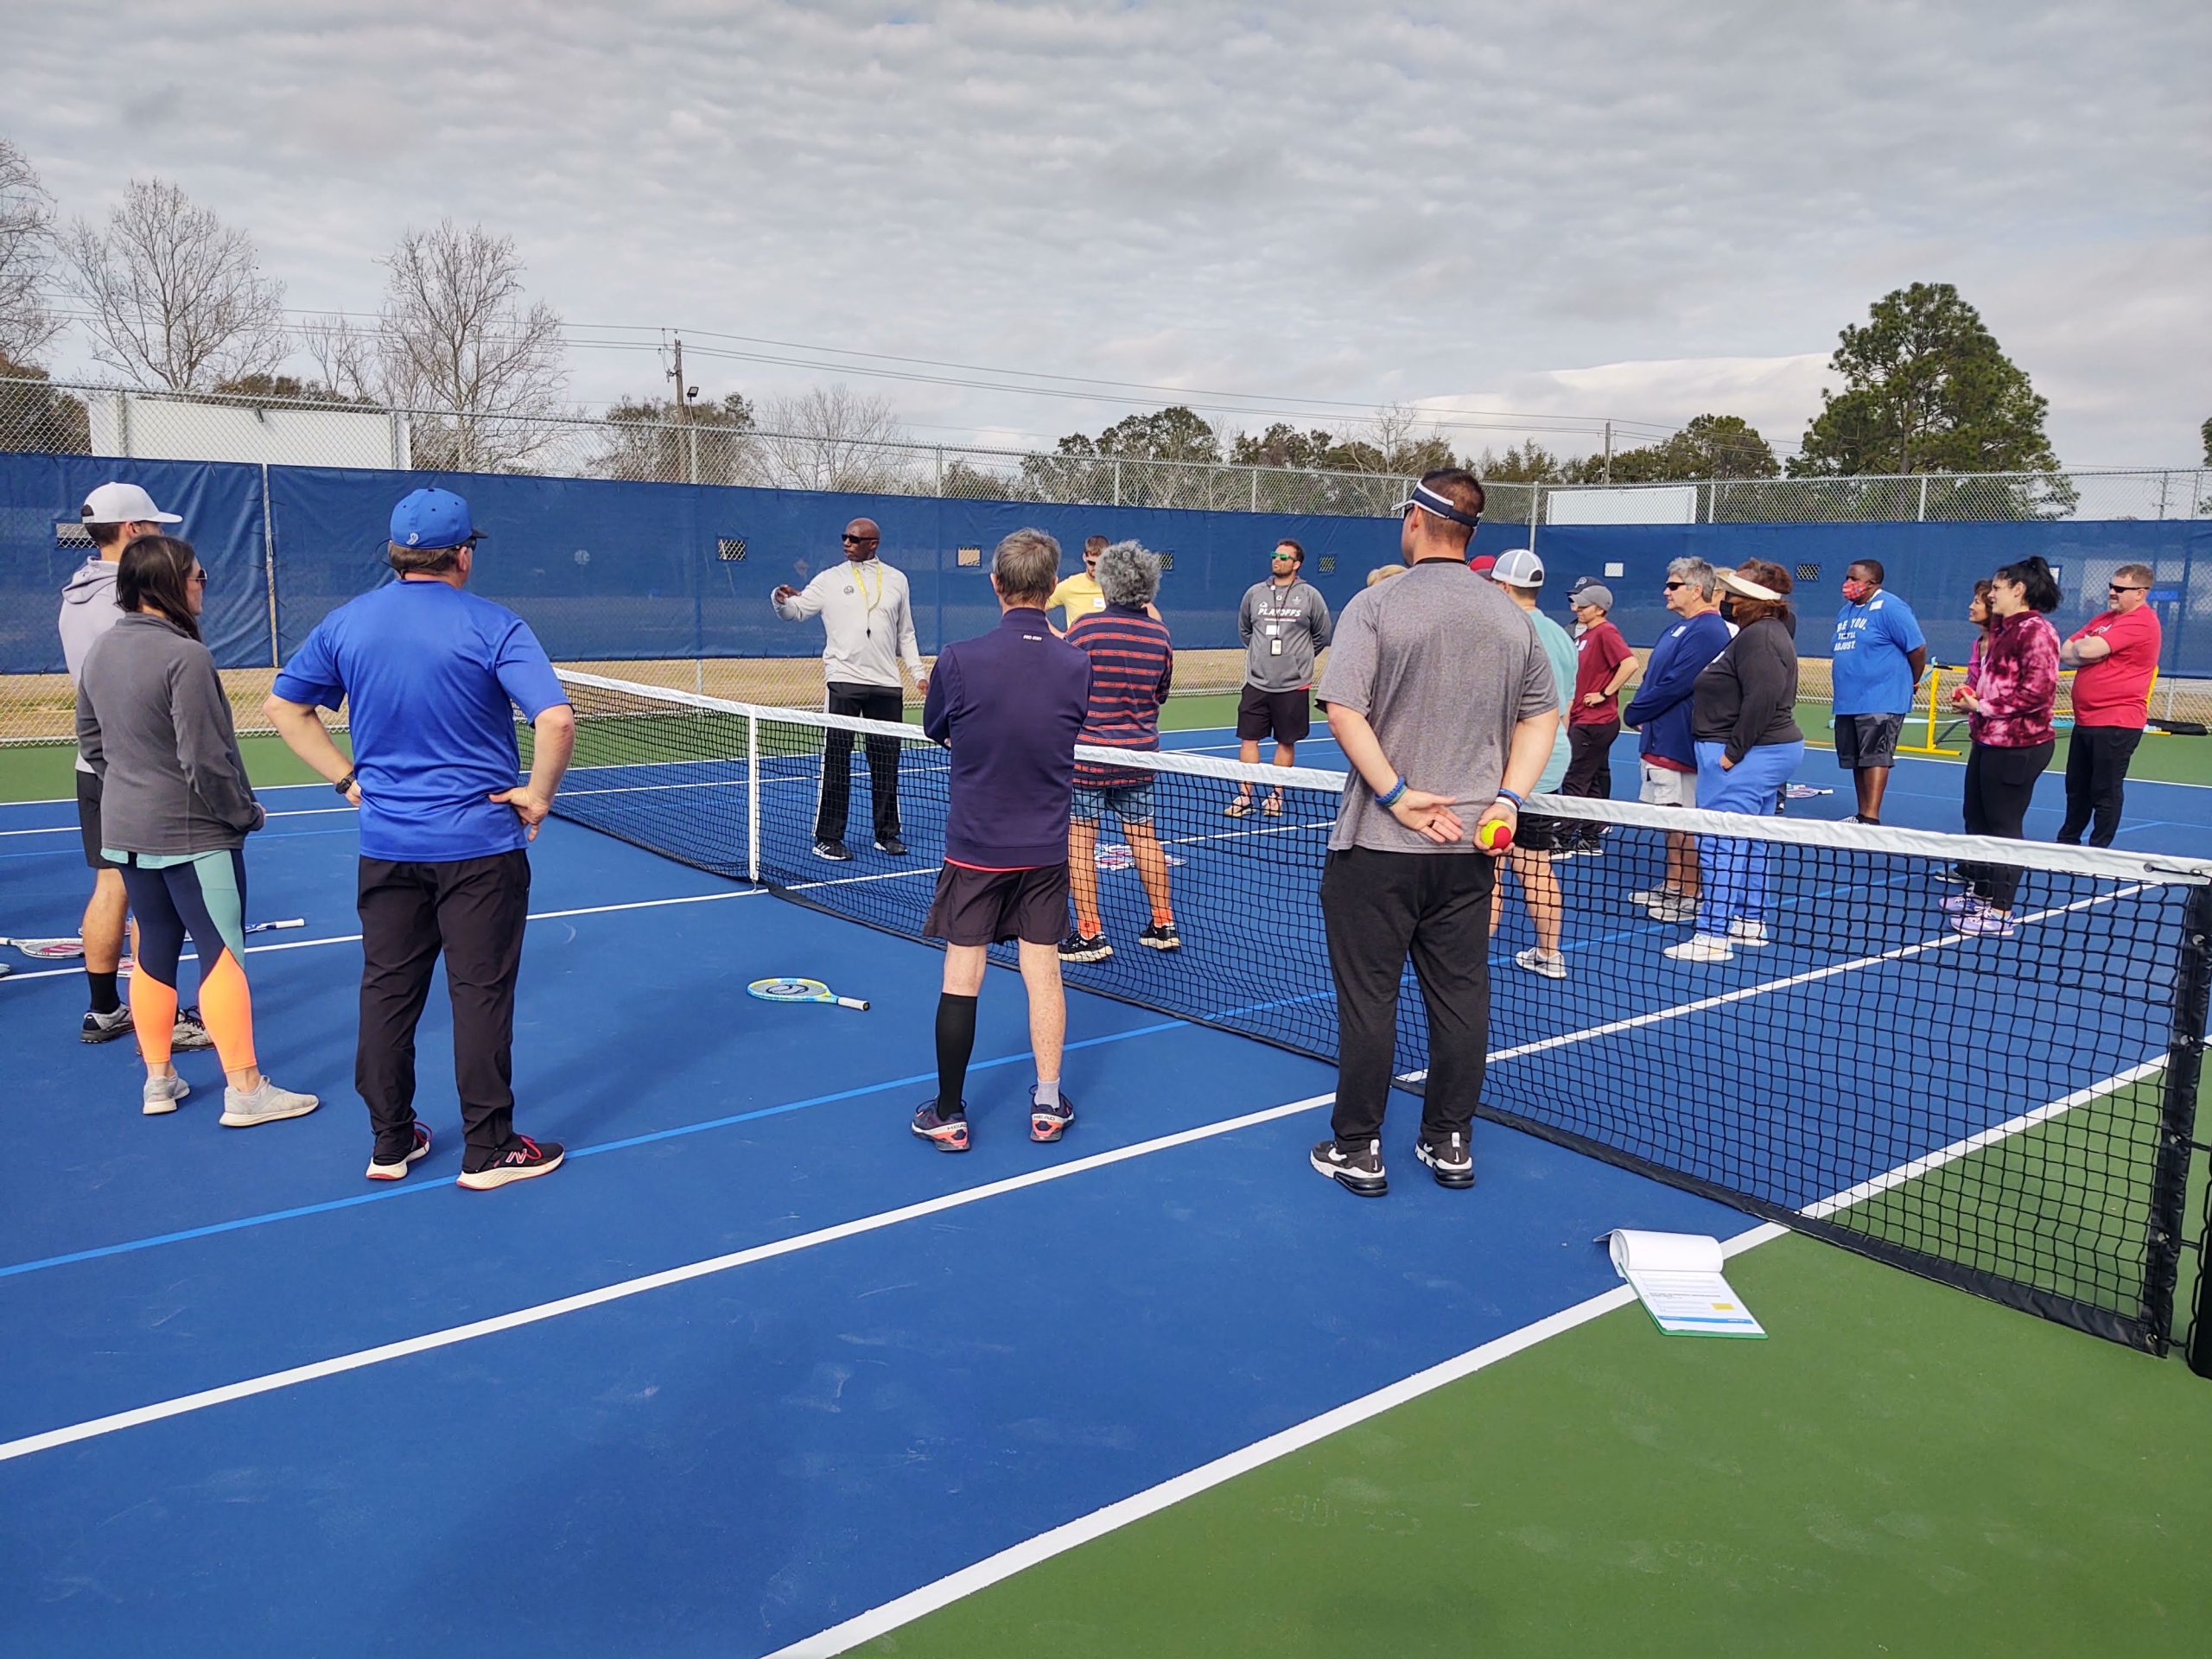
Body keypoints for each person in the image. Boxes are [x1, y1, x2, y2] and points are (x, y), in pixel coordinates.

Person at [264, 486, 575, 1189]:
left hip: (388, 846)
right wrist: (538, 796)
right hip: (480, 852)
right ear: (463, 555)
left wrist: (347, 780)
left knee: (386, 992)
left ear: (397, 554)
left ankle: (389, 1141)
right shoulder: (495, 625)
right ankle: (488, 1147)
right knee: (480, 996)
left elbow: (284, 706)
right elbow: (555, 720)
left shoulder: (348, 623)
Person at [1311, 470, 1559, 1198]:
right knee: (1462, 998)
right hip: (1470, 851)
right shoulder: (1513, 615)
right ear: (1472, 533)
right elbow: (1543, 715)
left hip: (1379, 848)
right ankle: (1450, 1139)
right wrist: (1509, 800)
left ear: (1416, 520)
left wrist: (1395, 794)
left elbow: (1342, 709)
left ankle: (1358, 1146)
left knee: (1369, 1003)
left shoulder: (1377, 603)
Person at [75, 536, 318, 1125]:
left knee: (154, 950)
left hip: (127, 829)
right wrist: (243, 813)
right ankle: (245, 1090)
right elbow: (206, 759)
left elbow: (92, 744)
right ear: (168, 583)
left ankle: (158, 1082)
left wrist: (135, 791)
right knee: (221, 954)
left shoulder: (102, 649)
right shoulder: (187, 657)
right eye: (197, 575)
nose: (202, 584)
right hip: (195, 836)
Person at [912, 529, 1094, 1153]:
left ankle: (948, 1112)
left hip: (976, 850)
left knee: (964, 970)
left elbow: (937, 727)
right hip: (1044, 850)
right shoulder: (1077, 662)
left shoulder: (959, 659)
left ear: (996, 584)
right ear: (1051, 588)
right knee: (1042, 970)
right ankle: (1047, 1103)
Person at [57, 481, 211, 1053]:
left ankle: (104, 1009)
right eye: (154, 527)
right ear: (131, 531)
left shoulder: (76, 594)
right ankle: (163, 1016)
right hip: (141, 770)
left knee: (111, 884)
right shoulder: (123, 602)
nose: (163, 536)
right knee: (155, 899)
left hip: (98, 764)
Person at [1665, 561, 1807, 963]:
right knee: (1750, 838)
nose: (1724, 597)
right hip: (1761, 754)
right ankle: (1748, 919)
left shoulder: (1759, 638)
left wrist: (1732, 754)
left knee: (1720, 843)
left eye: (1733, 591)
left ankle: (1713, 935)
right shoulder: (1763, 631)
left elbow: (1762, 697)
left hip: (1746, 755)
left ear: (1754, 599)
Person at [772, 516, 926, 861]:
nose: (847, 543)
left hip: (887, 685)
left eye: (855, 539)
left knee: (887, 763)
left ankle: (887, 833)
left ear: (873, 544)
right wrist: (781, 600)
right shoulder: (829, 579)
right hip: (843, 681)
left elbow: (907, 633)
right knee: (837, 761)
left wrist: (918, 672)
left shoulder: (898, 580)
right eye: (845, 537)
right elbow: (796, 612)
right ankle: (828, 836)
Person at [1061, 542, 1179, 963]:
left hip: (1087, 757)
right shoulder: (1160, 634)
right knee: (1144, 837)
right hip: (1139, 757)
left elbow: (1063, 688)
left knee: (1080, 841)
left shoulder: (1085, 630)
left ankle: (1090, 933)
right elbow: (1161, 694)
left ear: (1107, 583)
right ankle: (1163, 924)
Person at [1945, 556, 2062, 938]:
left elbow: (2037, 691)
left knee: (2004, 826)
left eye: (1996, 589)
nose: (1989, 595)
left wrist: (1983, 706)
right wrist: (1972, 697)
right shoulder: (2003, 629)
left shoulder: (2036, 631)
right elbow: (1995, 682)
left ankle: (2000, 911)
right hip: (1988, 739)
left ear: (2018, 590)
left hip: (2019, 746)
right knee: (1976, 818)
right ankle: (1980, 893)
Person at [1482, 548, 1575, 981]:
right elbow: (1563, 712)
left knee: (1489, 865)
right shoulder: (1562, 634)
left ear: (1502, 586)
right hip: (1550, 764)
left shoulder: (1498, 628)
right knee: (1535, 863)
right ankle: (1550, 953)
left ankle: (1468, 961)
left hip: (1505, 768)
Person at [1621, 560, 1731, 924]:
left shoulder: (1709, 631)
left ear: (1696, 589)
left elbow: (1678, 684)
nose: (1666, 591)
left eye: (1673, 585)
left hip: (1680, 742)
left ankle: (1692, 892)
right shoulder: (1678, 629)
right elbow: (1657, 679)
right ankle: (1673, 885)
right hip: (1659, 739)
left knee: (1684, 819)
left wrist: (1636, 712)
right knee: (1670, 817)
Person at [2056, 563, 2162, 847]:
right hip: (2086, 720)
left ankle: (2099, 851)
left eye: (2120, 588)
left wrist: (2089, 648)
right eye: (2111, 587)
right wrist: (2089, 648)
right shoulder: (2104, 619)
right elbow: (2067, 650)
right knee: (2076, 787)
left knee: (2104, 789)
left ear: (2140, 593)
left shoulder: (2141, 621)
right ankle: (2068, 842)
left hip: (2117, 722)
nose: (2112, 592)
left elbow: (2085, 648)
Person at [1229, 538, 1332, 817]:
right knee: (1249, 738)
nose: (1277, 560)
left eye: (1284, 557)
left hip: (1293, 685)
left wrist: (1300, 661)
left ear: (1297, 564)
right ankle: (1245, 796)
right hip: (1256, 682)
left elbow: (1322, 635)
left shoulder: (1310, 596)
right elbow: (1246, 631)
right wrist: (1260, 658)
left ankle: (1276, 796)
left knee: (1286, 741)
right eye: (1275, 555)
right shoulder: (1254, 594)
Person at [1829, 558, 1928, 826]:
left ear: (1872, 583)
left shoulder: (1891, 608)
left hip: (1880, 698)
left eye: (1853, 579)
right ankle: (1862, 814)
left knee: (1875, 756)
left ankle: (1871, 818)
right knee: (1857, 759)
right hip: (1849, 700)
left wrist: (1912, 680)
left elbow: (1917, 648)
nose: (1847, 584)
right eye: (1847, 577)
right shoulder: (1846, 612)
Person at [1561, 582, 1636, 854]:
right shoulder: (1584, 635)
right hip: (1583, 717)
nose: (1577, 608)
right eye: (1576, 603)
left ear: (1600, 608)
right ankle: (1589, 836)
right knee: (1589, 779)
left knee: (1575, 778)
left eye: (1584, 605)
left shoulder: (1606, 632)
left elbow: (1630, 663)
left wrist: (1604, 693)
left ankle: (1564, 835)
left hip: (1595, 721)